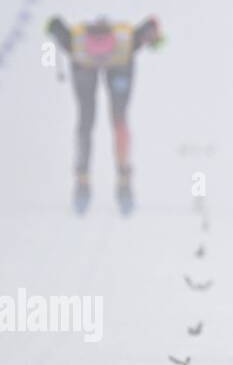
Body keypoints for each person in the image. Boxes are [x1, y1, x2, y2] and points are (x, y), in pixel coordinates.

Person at [46, 15, 163, 215]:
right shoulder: (125, 40)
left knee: (86, 121)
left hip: (83, 62)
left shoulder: (77, 42)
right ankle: (122, 181)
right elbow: (150, 33)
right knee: (119, 121)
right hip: (120, 62)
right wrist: (155, 36)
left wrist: (54, 28)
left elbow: (55, 27)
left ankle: (83, 181)